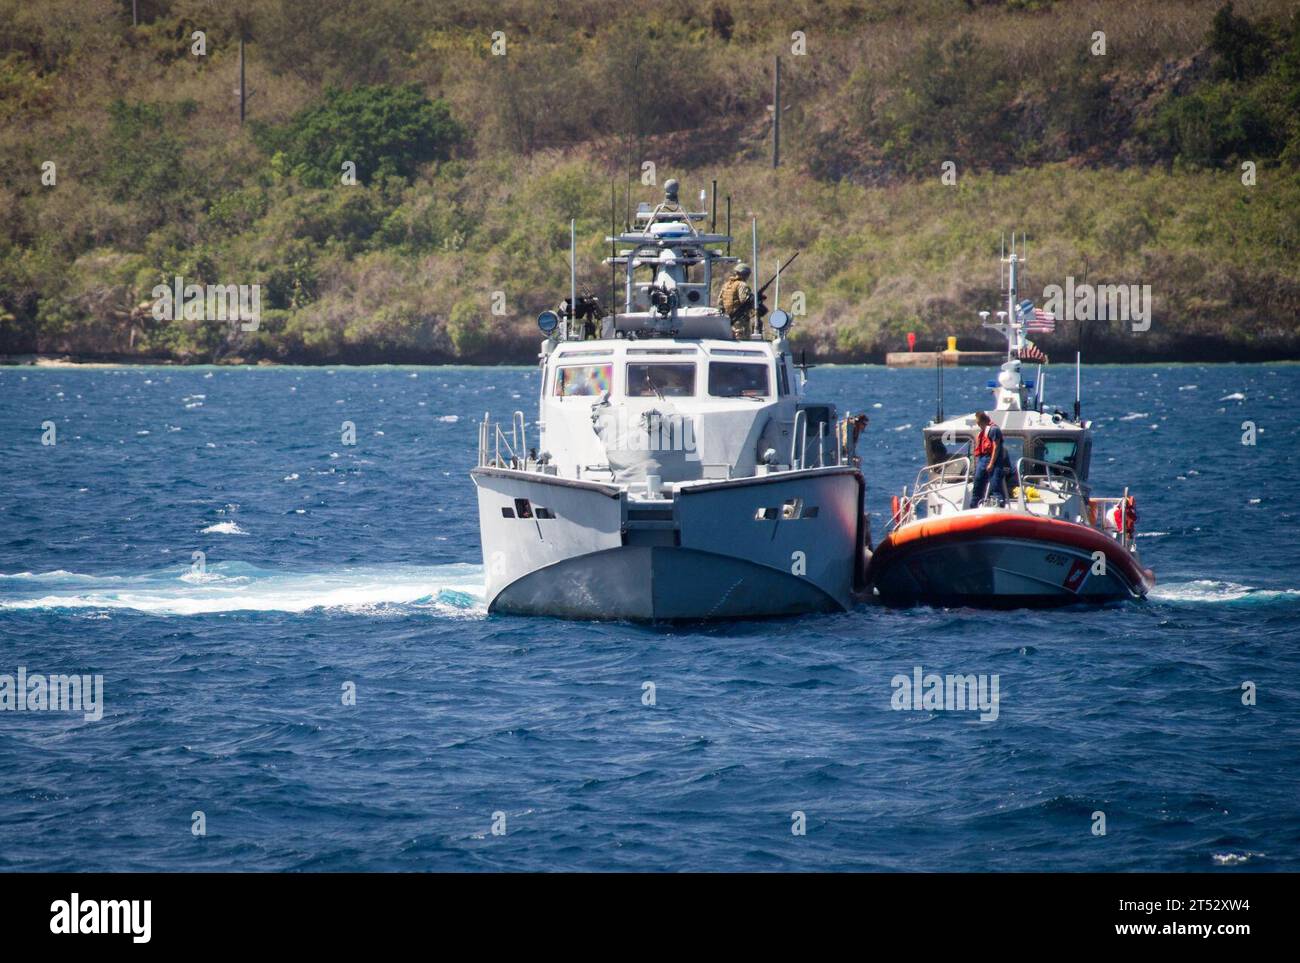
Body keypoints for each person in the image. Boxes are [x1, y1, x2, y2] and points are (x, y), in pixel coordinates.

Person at [970, 411, 1009, 507]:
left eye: (978, 423)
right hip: (982, 459)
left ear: (983, 421)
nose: (978, 425)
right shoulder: (984, 431)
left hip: (993, 460)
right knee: (978, 484)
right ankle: (974, 506)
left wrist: (991, 463)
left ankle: (999, 505)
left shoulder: (994, 430)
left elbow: (996, 447)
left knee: (995, 485)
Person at [720, 263, 754, 339]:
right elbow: (744, 300)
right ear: (745, 274)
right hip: (740, 320)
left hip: (727, 320)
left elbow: (719, 303)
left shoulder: (726, 285)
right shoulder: (742, 285)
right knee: (743, 342)